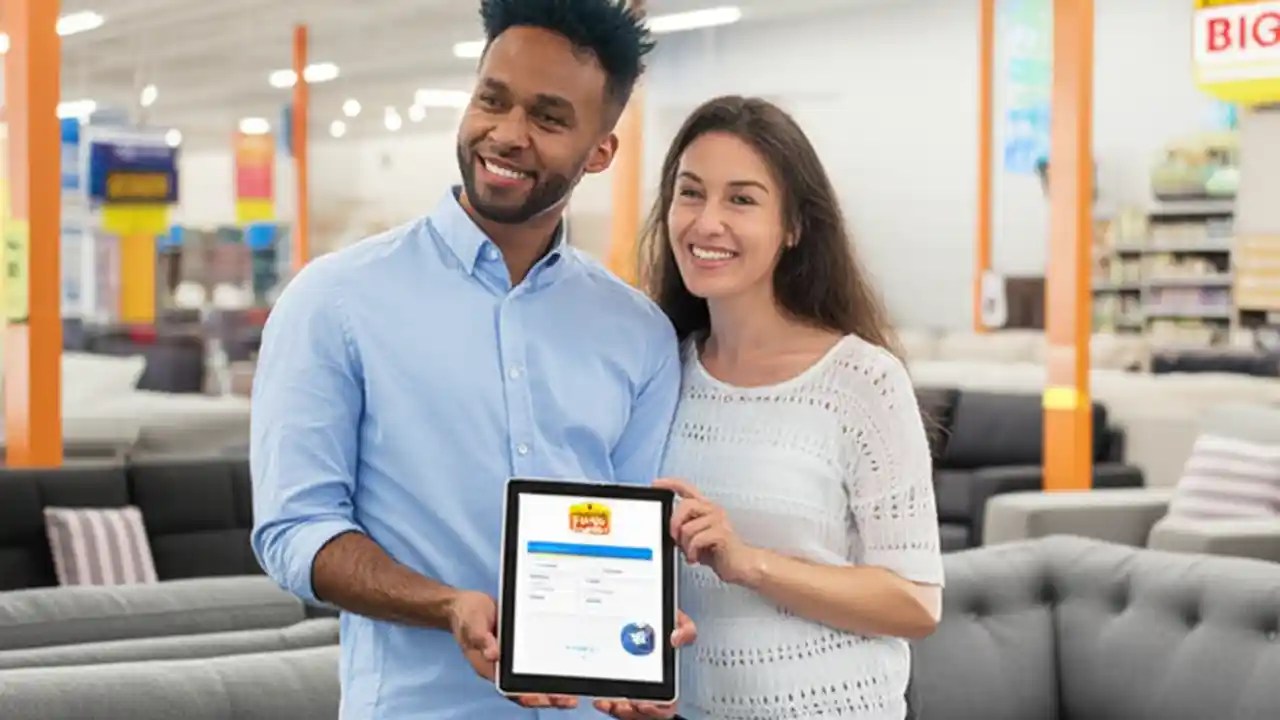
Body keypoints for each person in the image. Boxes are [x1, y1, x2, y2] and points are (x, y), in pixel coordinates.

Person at [249, 1, 693, 718]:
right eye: (493, 100)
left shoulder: (637, 333)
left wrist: (647, 633)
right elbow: (293, 532)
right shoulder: (334, 301)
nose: (507, 135)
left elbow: (626, 530)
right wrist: (446, 605)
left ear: (600, 151)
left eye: (548, 118)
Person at [630, 95, 946, 720]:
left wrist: (748, 563)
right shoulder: (658, 372)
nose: (707, 222)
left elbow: (915, 604)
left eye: (741, 199)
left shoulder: (862, 382)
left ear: (794, 227)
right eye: (690, 193)